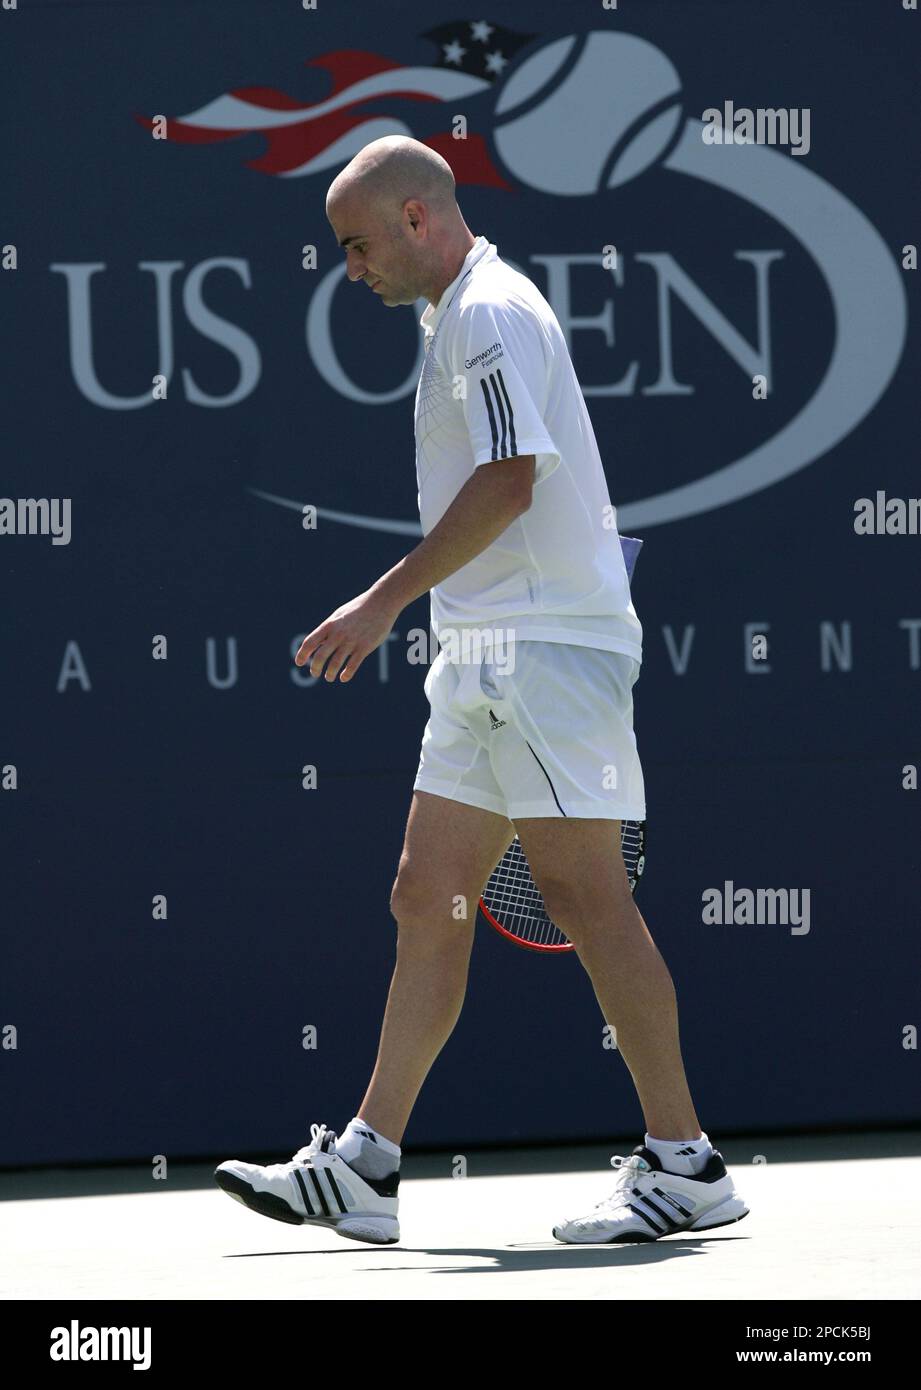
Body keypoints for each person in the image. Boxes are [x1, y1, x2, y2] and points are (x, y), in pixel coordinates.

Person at [214, 136, 748, 1246]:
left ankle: (685, 1161)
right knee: (427, 892)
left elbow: (512, 479)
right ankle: (367, 1162)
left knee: (586, 896)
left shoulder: (490, 311)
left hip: (549, 648)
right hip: (483, 652)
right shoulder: (448, 317)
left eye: (356, 243)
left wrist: (382, 602)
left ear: (418, 219)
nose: (347, 266)